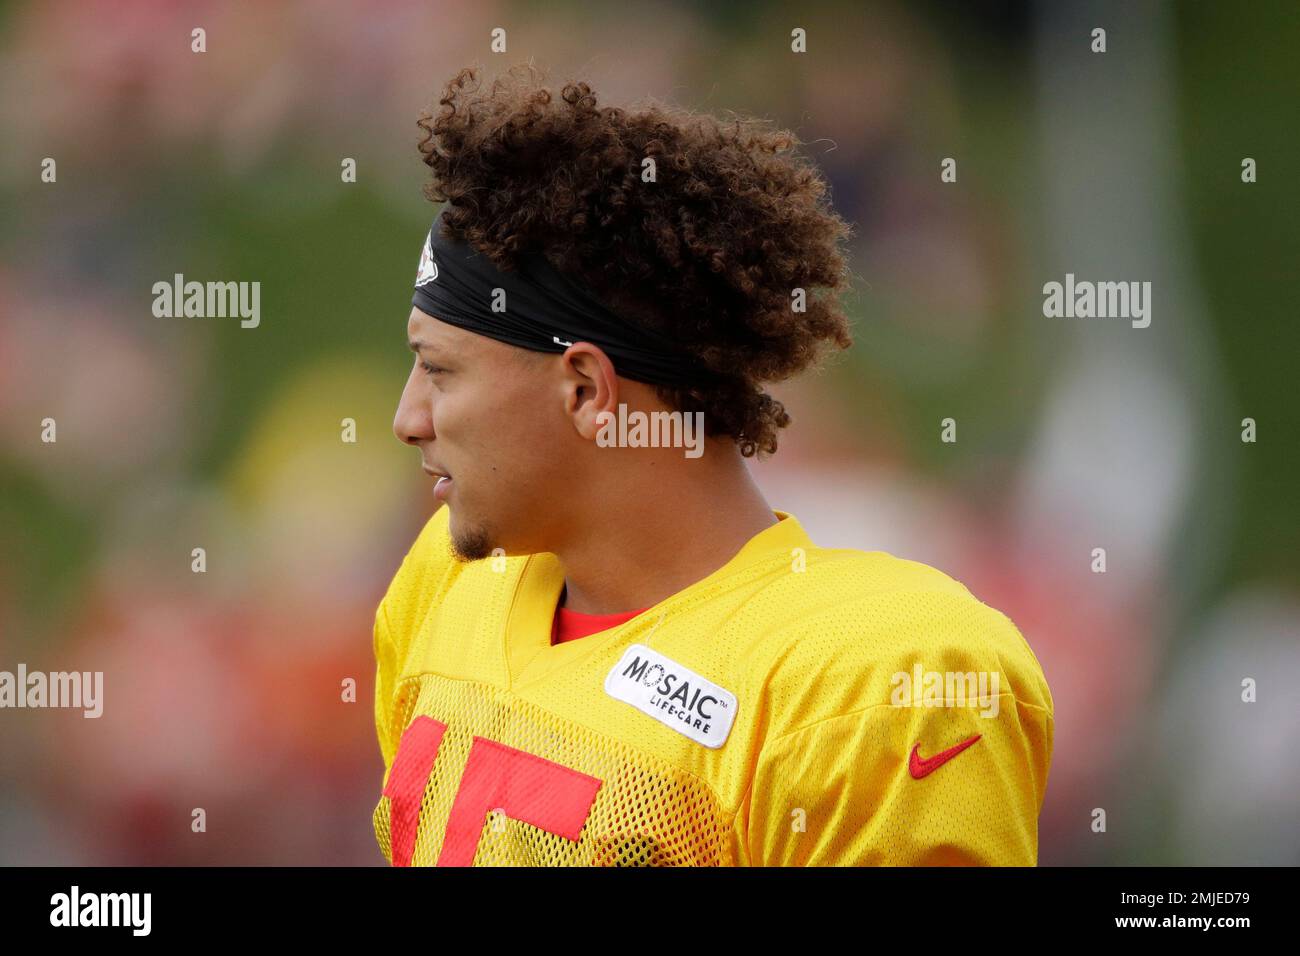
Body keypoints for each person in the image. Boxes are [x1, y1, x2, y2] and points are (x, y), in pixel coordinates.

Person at [373, 64, 1053, 866]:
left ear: (587, 389)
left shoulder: (865, 684)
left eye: (441, 370)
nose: (406, 417)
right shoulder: (451, 582)